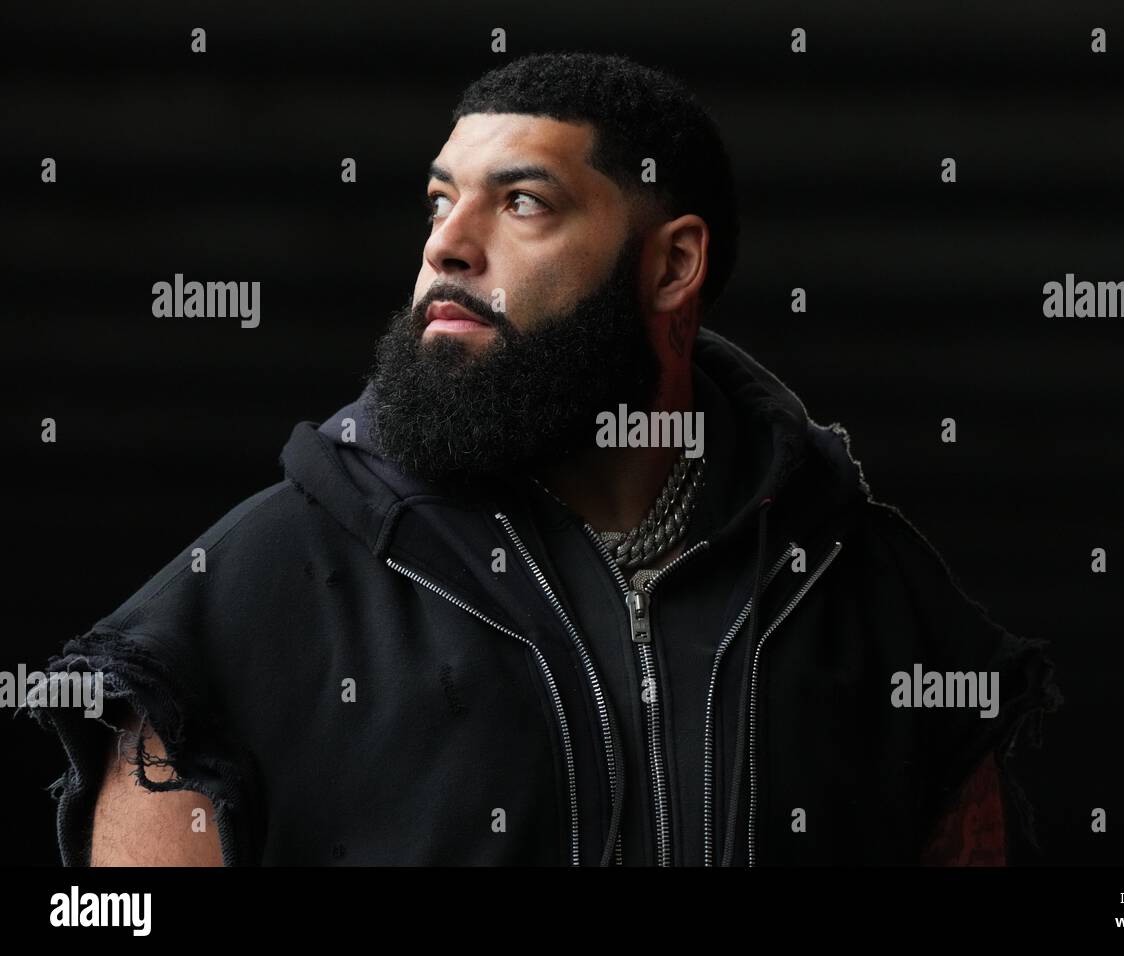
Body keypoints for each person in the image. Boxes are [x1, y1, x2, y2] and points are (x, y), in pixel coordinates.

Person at [28, 51, 1061, 867]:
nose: (448, 243)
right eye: (440, 201)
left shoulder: (864, 588)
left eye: (522, 202)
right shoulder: (253, 583)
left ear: (672, 263)